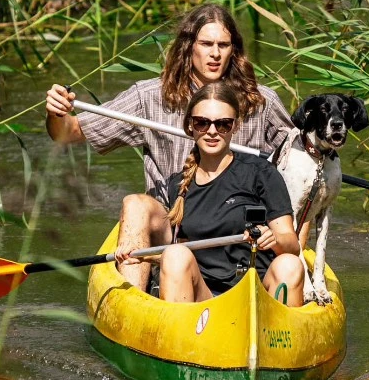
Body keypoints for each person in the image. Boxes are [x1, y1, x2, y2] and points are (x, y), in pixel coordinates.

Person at [45, 4, 293, 291]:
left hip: (240, 233)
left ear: (233, 51)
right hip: (172, 230)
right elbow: (68, 133)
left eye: (223, 45)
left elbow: (301, 168)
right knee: (135, 204)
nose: (215, 53)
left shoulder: (262, 101)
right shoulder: (149, 97)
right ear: (189, 47)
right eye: (206, 44)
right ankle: (135, 302)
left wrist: (290, 242)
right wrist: (56, 112)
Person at [114, 81, 305, 305]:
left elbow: (291, 244)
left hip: (257, 296)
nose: (212, 131)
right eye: (202, 123)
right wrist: (138, 254)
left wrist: (272, 238)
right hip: (205, 299)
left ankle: (286, 336)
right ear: (191, 126)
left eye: (223, 124)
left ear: (235, 126)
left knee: (290, 265)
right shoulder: (179, 185)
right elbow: (177, 255)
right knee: (175, 254)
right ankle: (179, 333)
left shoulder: (261, 173)